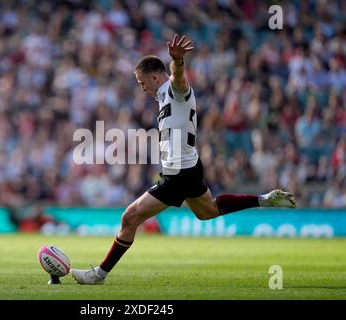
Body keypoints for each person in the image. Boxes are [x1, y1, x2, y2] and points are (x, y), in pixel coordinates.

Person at [70, 35, 296, 285]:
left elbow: (178, 79)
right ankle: (264, 199)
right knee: (207, 211)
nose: (141, 87)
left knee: (129, 217)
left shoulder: (175, 91)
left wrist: (177, 61)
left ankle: (98, 274)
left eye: (141, 82)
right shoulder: (163, 98)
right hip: (189, 167)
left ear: (155, 77)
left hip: (178, 172)